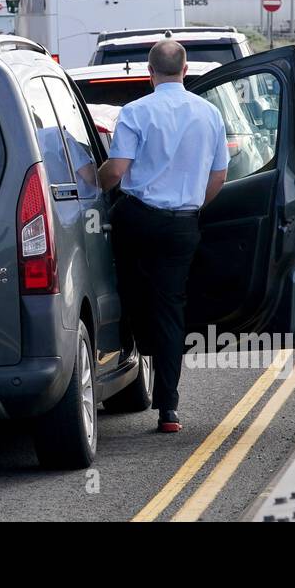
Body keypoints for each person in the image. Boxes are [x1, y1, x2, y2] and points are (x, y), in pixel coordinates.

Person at [97, 39, 228, 434]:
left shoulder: (136, 112)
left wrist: (90, 182)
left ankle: (120, 366)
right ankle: (168, 409)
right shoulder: (210, 114)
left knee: (119, 289)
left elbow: (117, 170)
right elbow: (219, 176)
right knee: (171, 310)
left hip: (136, 219)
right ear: (185, 70)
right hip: (182, 225)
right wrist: (191, 209)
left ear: (149, 72)